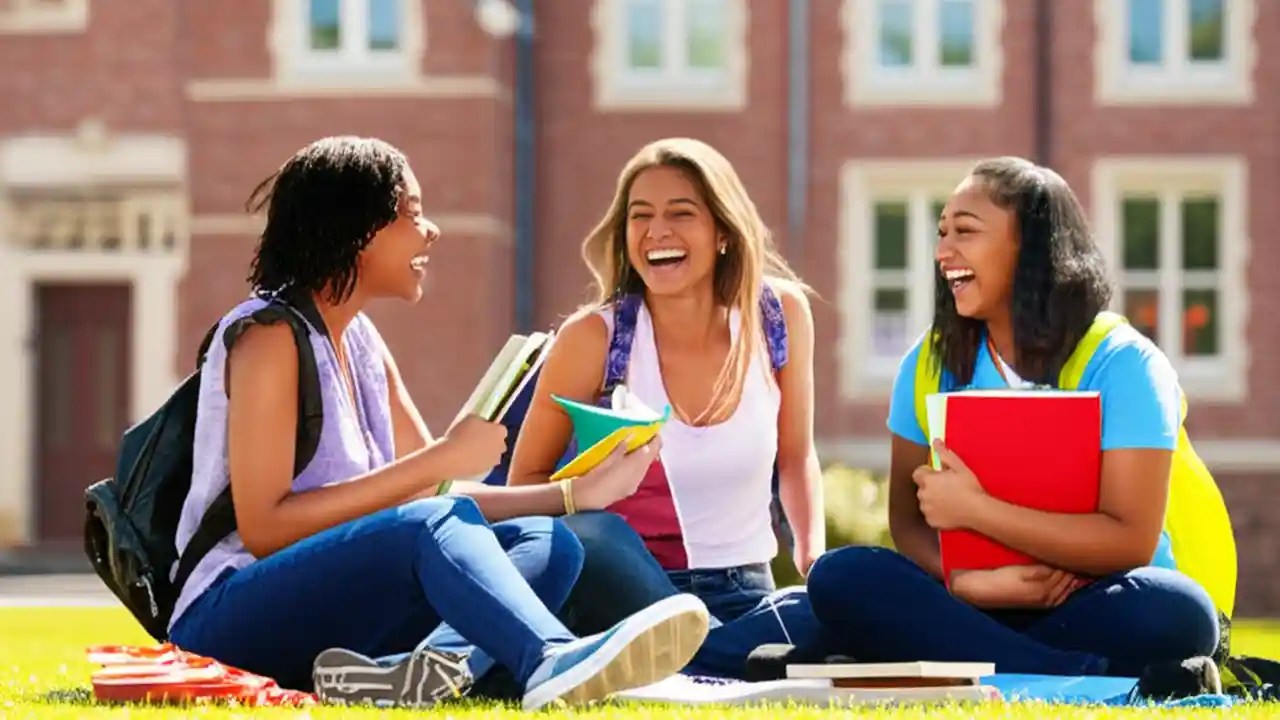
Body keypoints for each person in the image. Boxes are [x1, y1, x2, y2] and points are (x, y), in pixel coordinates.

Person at [165, 136, 710, 711]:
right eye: (413, 214)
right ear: (356, 228)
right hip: (225, 619)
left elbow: (440, 495)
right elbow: (265, 528)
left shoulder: (365, 345)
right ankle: (548, 658)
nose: (432, 232)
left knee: (549, 543)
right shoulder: (270, 336)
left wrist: (572, 494)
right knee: (430, 521)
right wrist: (442, 459)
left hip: (329, 616)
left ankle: (406, 675)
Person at [805, 156, 1235, 682]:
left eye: (965, 231)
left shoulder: (1124, 363)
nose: (943, 252)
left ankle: (969, 661)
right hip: (973, 600)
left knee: (1181, 611)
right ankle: (1069, 673)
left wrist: (978, 511)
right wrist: (968, 581)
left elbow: (1130, 541)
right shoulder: (926, 364)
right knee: (839, 576)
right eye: (942, 233)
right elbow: (908, 523)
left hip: (1095, 599)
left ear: (1030, 247)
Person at [504, 137, 829, 678]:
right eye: (641, 216)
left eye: (681, 214)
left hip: (748, 589)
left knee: (844, 591)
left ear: (723, 232)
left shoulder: (780, 315)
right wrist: (591, 489)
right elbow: (525, 486)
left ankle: (680, 661)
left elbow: (796, 456)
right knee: (595, 534)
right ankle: (710, 656)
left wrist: (813, 557)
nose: (657, 232)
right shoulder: (594, 338)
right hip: (635, 588)